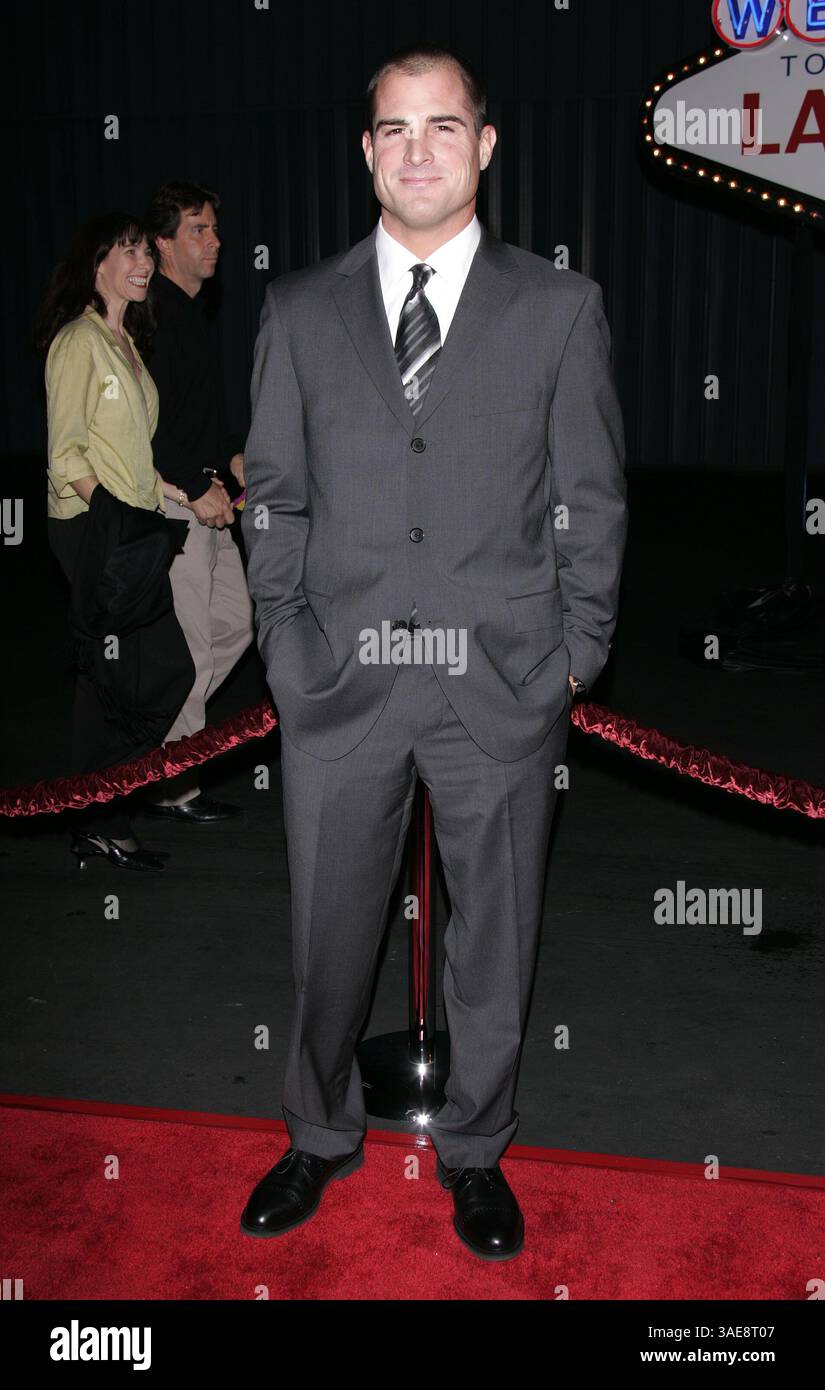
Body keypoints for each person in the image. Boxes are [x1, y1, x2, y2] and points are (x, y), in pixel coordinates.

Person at [239, 45, 627, 1259]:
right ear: (366, 153)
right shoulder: (298, 310)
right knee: (328, 932)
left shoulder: (560, 309)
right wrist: (287, 649)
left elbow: (593, 499)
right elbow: (275, 499)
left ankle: (475, 1149)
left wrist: (575, 657)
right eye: (395, 130)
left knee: (495, 940)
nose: (418, 149)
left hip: (502, 686)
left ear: (486, 145)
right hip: (340, 687)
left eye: (443, 127)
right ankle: (318, 1135)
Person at [37, 212, 202, 870]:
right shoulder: (79, 341)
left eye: (144, 251)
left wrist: (176, 492)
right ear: (96, 261)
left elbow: (130, 453)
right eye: (128, 250)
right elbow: (66, 451)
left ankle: (102, 808)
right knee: (135, 674)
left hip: (132, 524)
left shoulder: (125, 342)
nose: (143, 262)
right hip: (95, 528)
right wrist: (112, 523)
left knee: (135, 676)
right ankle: (98, 812)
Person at [140, 181, 254, 823]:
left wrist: (233, 457)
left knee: (235, 624)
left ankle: (152, 732)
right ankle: (172, 781)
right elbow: (143, 430)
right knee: (194, 647)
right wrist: (193, 484)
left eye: (214, 229)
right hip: (179, 501)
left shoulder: (190, 311)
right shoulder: (151, 314)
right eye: (197, 231)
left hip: (210, 495)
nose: (214, 242)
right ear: (162, 244)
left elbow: (193, 416)